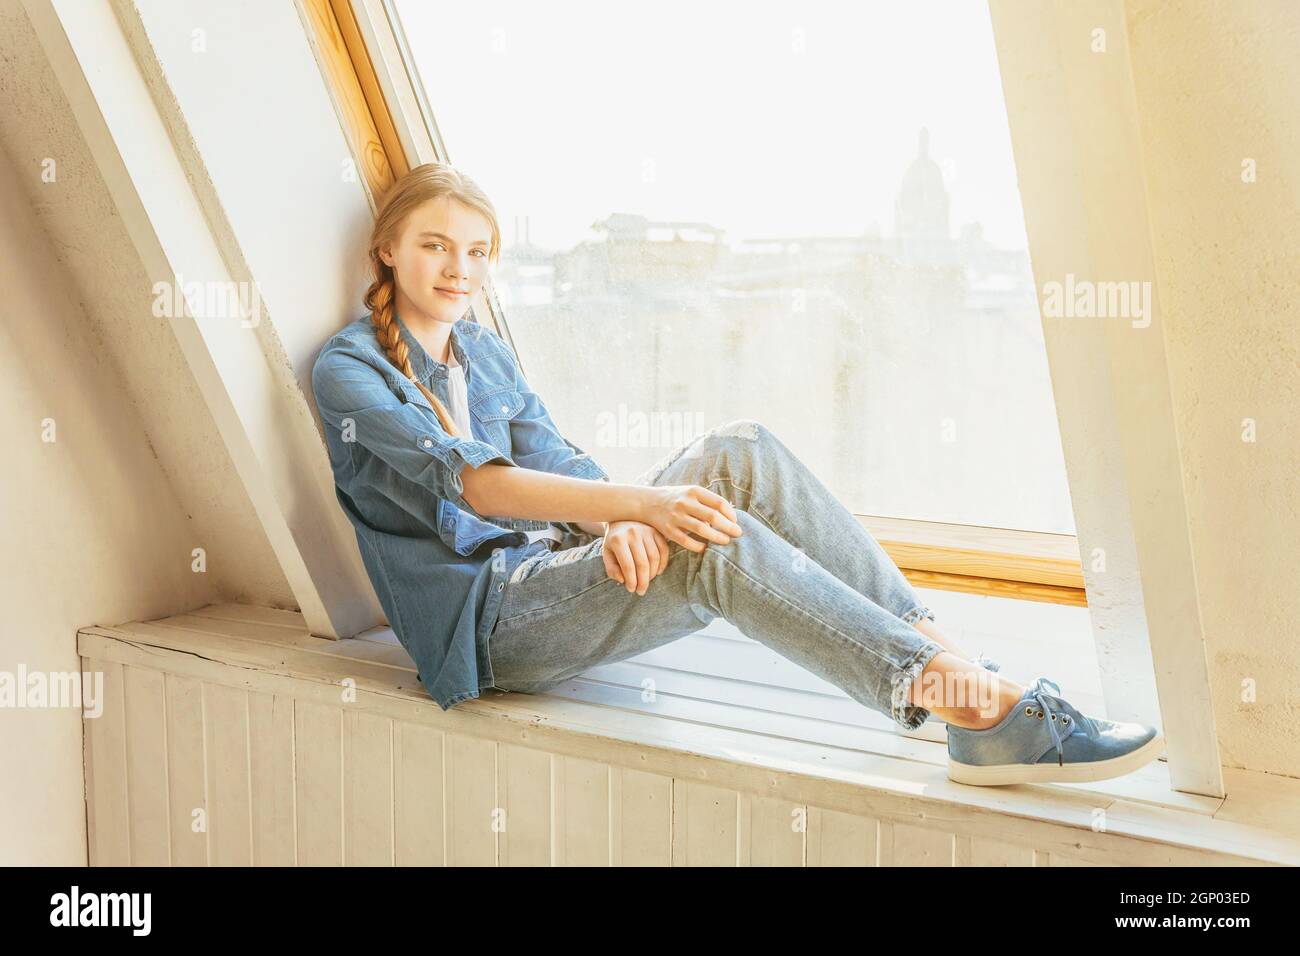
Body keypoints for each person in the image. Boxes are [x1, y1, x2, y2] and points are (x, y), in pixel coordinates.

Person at [310, 162, 1164, 787]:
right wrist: (646, 506)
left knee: (741, 449)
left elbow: (558, 462)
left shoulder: (480, 351)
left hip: (555, 574)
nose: (459, 269)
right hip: (486, 626)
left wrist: (626, 524)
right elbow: (480, 487)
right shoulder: (349, 372)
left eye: (476, 251)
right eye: (434, 246)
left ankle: (960, 671)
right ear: (388, 249)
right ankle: (974, 708)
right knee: (707, 544)